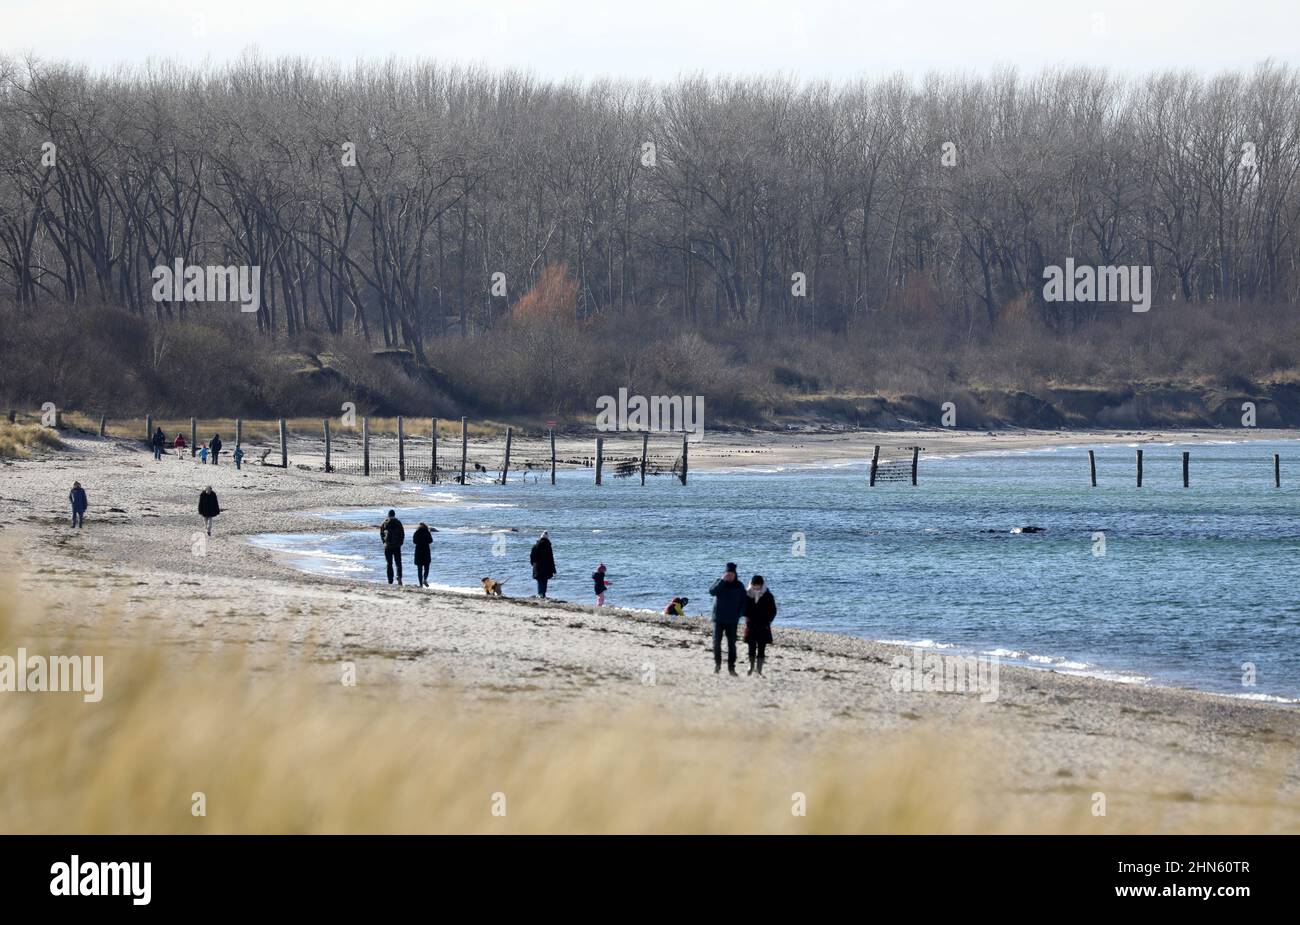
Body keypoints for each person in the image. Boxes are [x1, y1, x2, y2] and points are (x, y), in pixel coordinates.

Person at [708, 562, 748, 675]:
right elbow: (711, 592)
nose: (729, 576)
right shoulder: (719, 583)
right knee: (716, 643)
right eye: (727, 574)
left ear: (735, 574)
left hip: (732, 620)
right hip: (718, 619)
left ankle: (731, 668)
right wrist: (721, 581)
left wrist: (739, 614)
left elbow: (744, 602)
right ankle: (717, 666)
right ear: (724, 574)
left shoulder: (739, 586)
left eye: (731, 574)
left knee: (731, 644)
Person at [743, 575, 777, 676]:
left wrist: (769, 621)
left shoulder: (768, 595)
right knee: (751, 646)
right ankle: (751, 666)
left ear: (762, 585)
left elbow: (773, 611)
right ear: (751, 584)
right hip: (751, 624)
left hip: (763, 625)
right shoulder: (747, 594)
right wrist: (745, 615)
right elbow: (742, 608)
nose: (756, 588)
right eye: (754, 586)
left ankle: (759, 669)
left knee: (762, 647)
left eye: (758, 586)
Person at [380, 509, 405, 585]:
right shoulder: (398, 522)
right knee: (398, 563)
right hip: (397, 546)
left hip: (387, 546)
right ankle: (399, 576)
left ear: (388, 515)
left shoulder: (384, 523)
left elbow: (381, 534)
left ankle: (390, 580)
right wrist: (400, 543)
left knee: (389, 563)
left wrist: (384, 542)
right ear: (394, 515)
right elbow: (402, 534)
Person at [530, 530, 556, 598]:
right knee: (545, 581)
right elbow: (551, 558)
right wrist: (553, 569)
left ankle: (540, 593)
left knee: (539, 580)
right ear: (547, 538)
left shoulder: (535, 546)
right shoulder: (548, 547)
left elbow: (532, 557)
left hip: (537, 566)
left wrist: (533, 564)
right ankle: (543, 594)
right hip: (547, 567)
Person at [412, 522, 433, 587]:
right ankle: (425, 579)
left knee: (419, 569)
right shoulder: (427, 532)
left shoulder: (417, 532)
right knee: (426, 568)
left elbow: (414, 541)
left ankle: (421, 584)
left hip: (419, 551)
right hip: (426, 551)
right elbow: (430, 541)